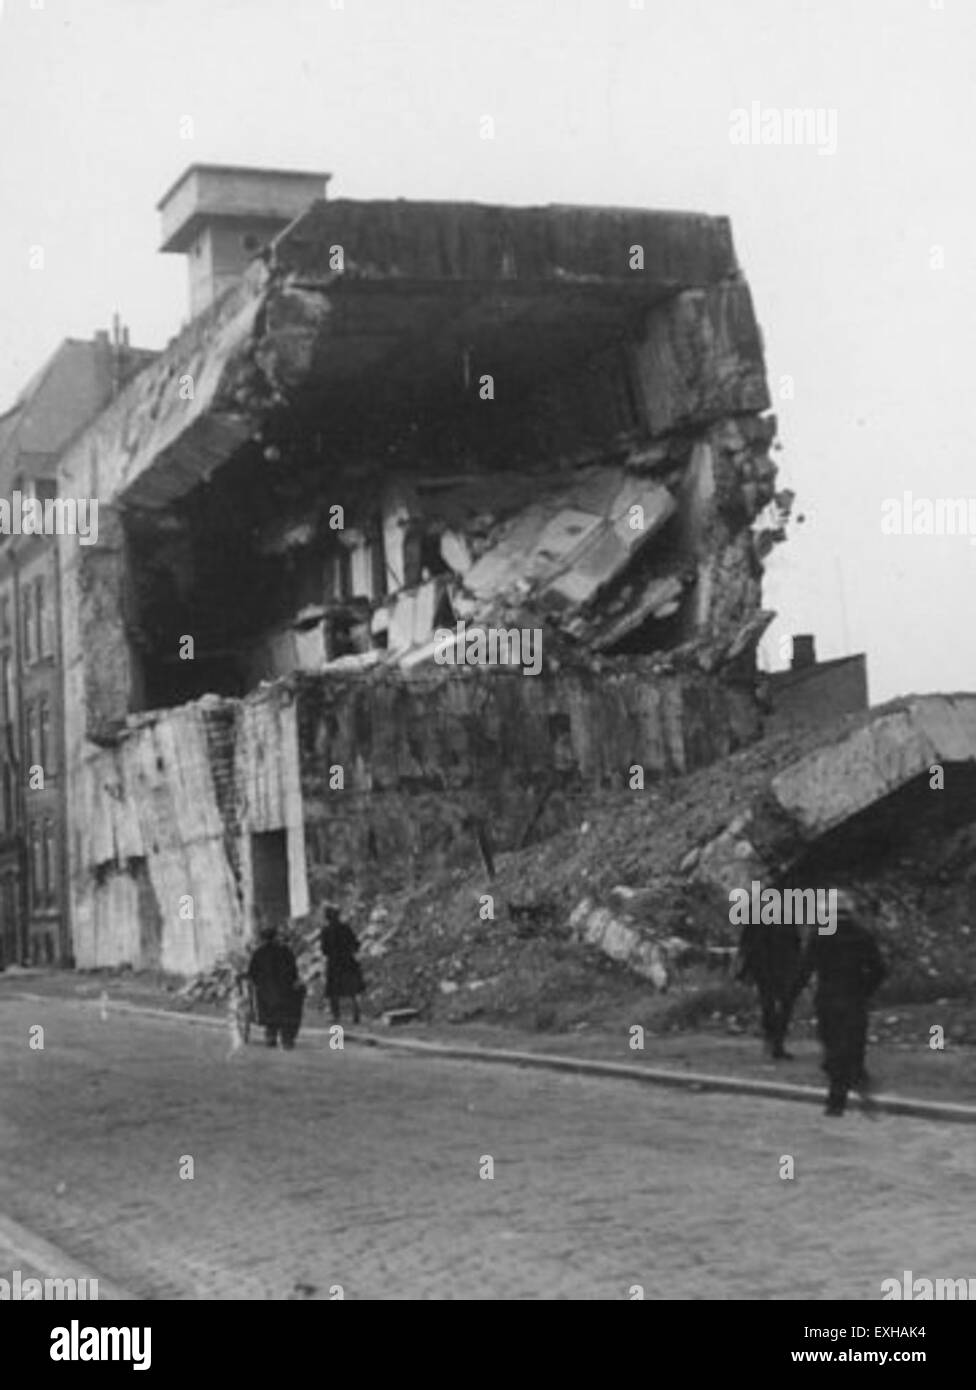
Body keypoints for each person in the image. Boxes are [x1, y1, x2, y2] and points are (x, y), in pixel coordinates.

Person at [794, 893, 886, 1116]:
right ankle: (854, 1081)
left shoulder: (822, 934)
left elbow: (806, 967)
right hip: (854, 996)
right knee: (852, 1042)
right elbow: (879, 969)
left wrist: (795, 991)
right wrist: (865, 989)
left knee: (833, 1044)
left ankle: (838, 1096)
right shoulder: (862, 934)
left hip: (827, 996)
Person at [737, 919, 802, 1060]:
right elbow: (796, 945)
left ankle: (772, 1039)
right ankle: (776, 1041)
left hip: (767, 968)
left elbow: (746, 945)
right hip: (778, 968)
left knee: (771, 1004)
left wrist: (745, 970)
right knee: (781, 1005)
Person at [247, 925, 305, 1049]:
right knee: (290, 1008)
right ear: (275, 937)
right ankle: (286, 1037)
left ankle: (271, 1035)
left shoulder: (258, 952)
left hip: (265, 992)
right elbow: (293, 971)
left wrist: (259, 983)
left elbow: (252, 973)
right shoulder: (286, 950)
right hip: (285, 990)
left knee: (269, 1009)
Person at [319, 905, 365, 1024]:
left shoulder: (326, 931)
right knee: (352, 989)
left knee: (333, 991)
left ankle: (336, 1015)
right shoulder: (346, 928)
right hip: (347, 960)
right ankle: (356, 1013)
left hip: (334, 962)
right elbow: (356, 944)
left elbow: (324, 949)